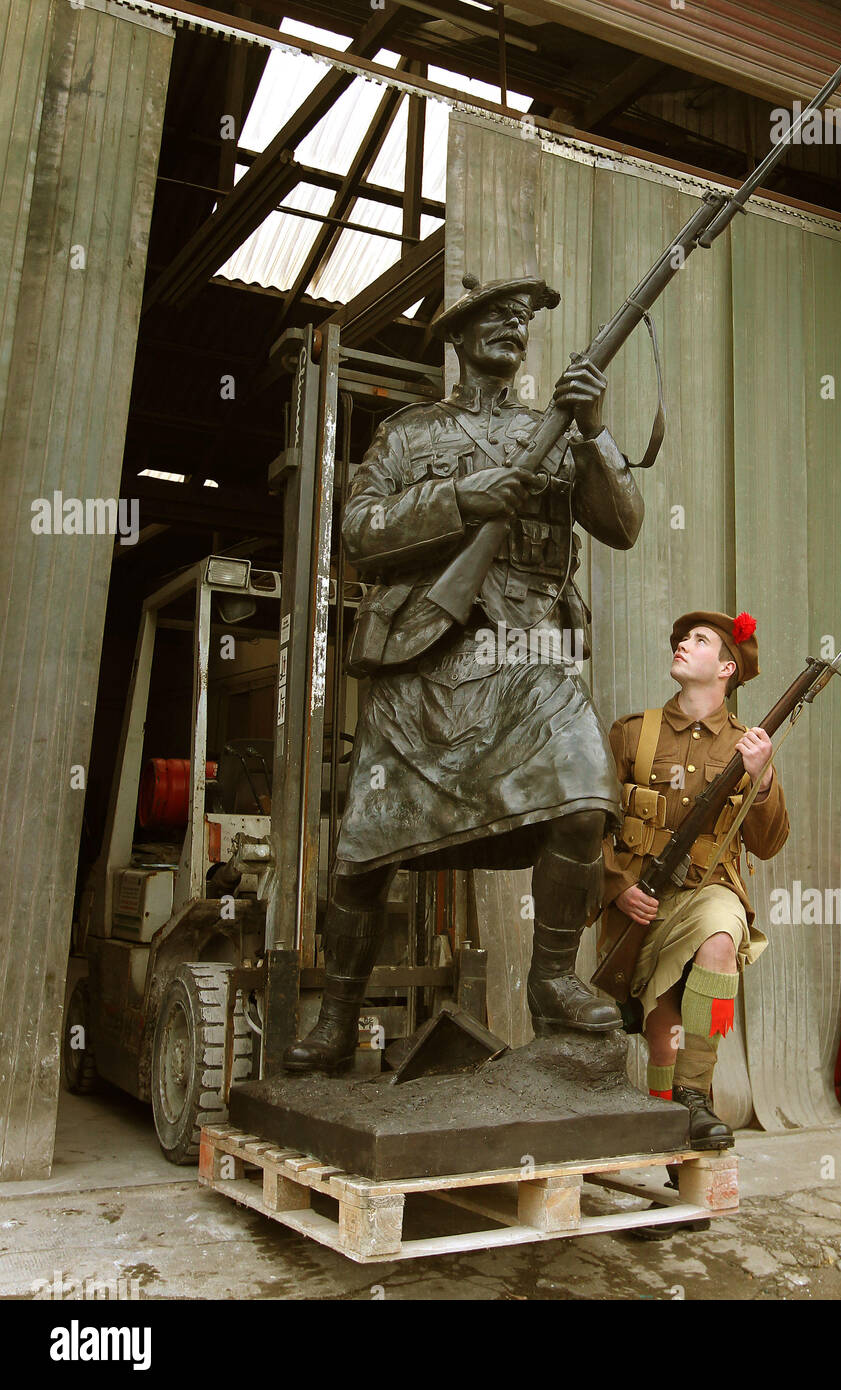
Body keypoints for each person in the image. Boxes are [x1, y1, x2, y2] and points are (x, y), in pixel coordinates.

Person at [284, 272, 645, 1072]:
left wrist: (594, 432)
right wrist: (458, 499)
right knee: (365, 847)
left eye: (522, 320)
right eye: (495, 317)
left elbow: (622, 526)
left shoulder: (555, 427)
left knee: (586, 793)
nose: (512, 328)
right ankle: (338, 1015)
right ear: (457, 336)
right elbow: (360, 531)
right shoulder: (411, 434)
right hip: (424, 651)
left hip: (527, 653)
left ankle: (551, 981)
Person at [599, 611, 789, 1147]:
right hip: (642, 905)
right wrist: (616, 887)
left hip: (707, 894)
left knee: (722, 936)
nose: (682, 643)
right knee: (663, 1037)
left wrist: (764, 777)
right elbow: (592, 826)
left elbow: (769, 843)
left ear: (727, 667)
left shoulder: (749, 746)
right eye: (681, 637)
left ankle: (695, 1097)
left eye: (699, 640)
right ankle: (671, 1156)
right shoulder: (634, 734)